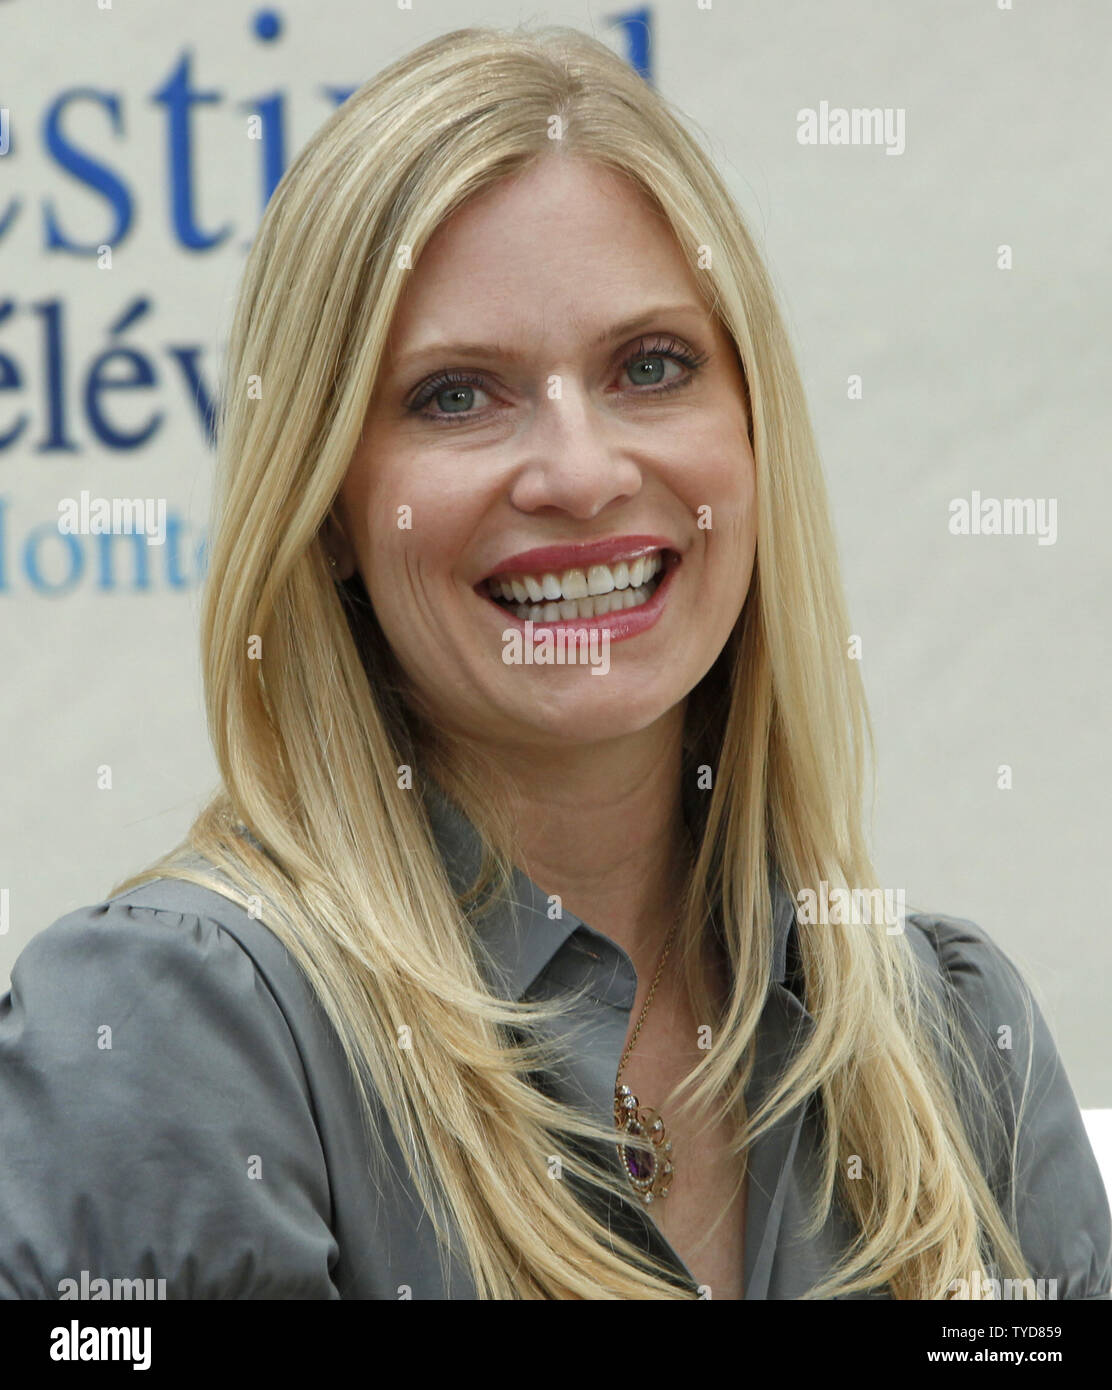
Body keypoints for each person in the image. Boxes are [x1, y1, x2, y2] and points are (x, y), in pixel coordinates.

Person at [1, 24, 1108, 1301]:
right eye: (456, 395)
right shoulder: (179, 1032)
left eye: (651, 368)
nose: (581, 474)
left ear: (753, 436)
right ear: (328, 511)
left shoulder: (958, 1048)